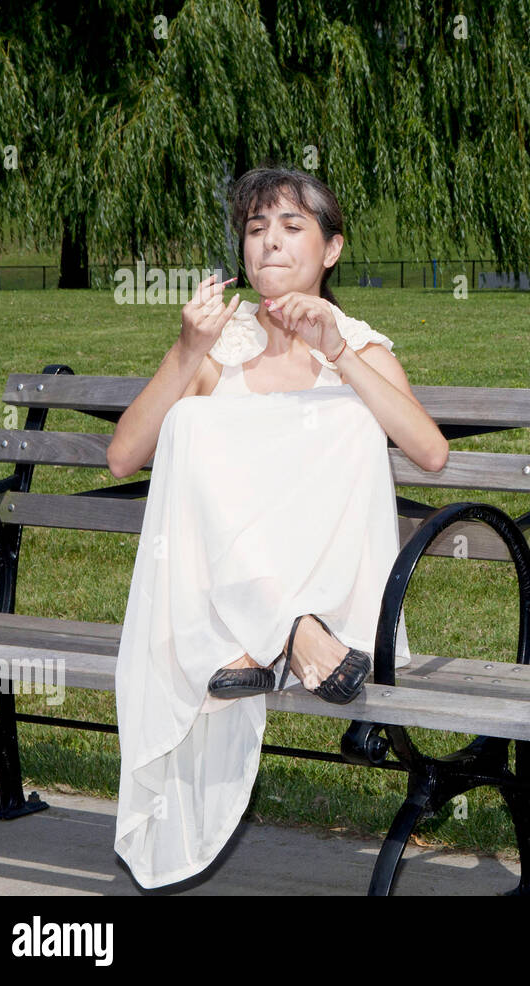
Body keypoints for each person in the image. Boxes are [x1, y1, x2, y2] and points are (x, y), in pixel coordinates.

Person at [107, 166, 448, 889]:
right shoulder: (217, 346)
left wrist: (342, 356)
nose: (269, 243)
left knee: (355, 421)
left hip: (331, 594)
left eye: (292, 226)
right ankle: (285, 628)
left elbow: (430, 452)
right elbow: (123, 457)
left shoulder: (360, 345)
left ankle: (288, 625)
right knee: (192, 422)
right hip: (230, 608)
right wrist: (185, 351)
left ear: (332, 250)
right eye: (255, 229)